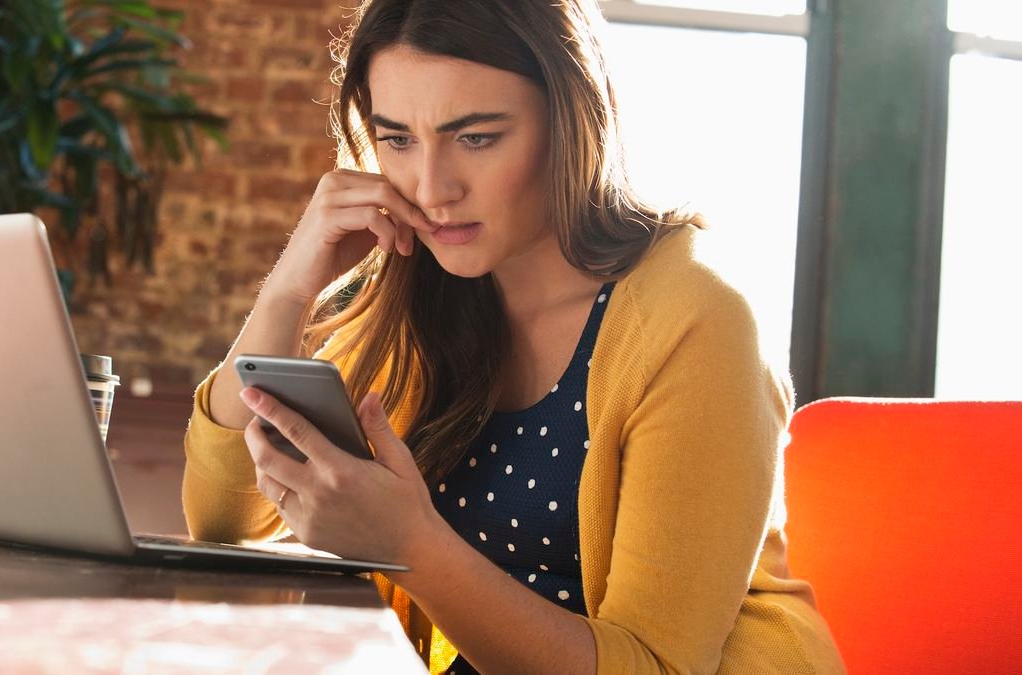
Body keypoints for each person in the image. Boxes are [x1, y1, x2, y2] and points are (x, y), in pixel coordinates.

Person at [183, 0, 845, 672]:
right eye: (398, 139)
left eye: (475, 138)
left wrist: (410, 542)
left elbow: (658, 665)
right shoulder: (430, 289)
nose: (433, 188)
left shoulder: (696, 318)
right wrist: (288, 289)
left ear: (571, 122)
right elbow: (224, 521)